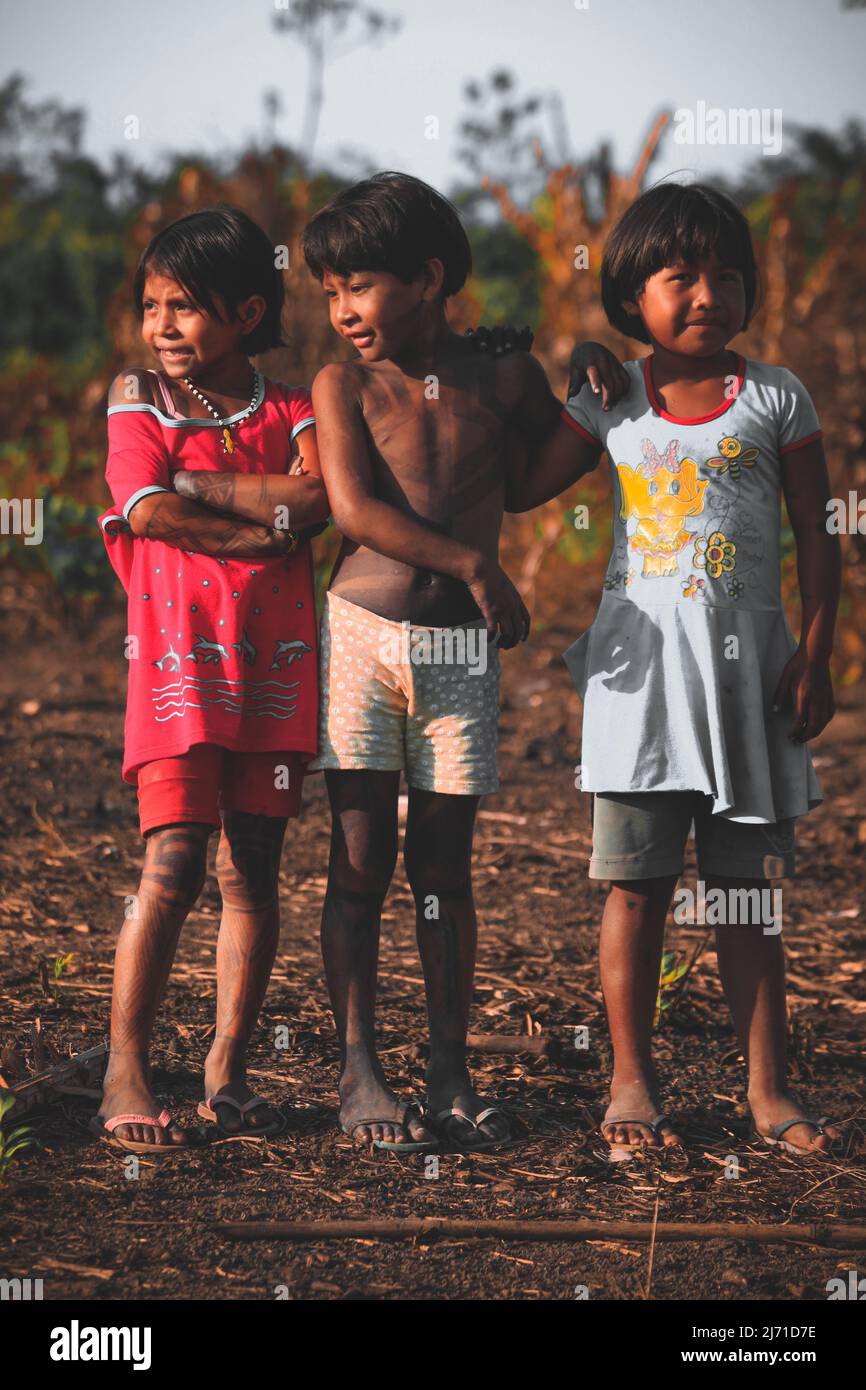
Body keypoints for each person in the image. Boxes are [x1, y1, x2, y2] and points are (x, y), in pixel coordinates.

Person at [505, 182, 844, 1158]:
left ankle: (768, 1093)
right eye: (678, 275)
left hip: (752, 683)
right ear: (630, 293)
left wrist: (814, 651)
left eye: (725, 276)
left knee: (745, 895)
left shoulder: (776, 395)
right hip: (638, 684)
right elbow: (527, 486)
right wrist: (556, 376)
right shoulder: (611, 397)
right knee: (636, 887)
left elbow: (818, 531)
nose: (706, 294)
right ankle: (627, 1089)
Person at [301, 170, 621, 1151]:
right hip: (364, 633)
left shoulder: (500, 378)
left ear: (430, 275)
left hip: (458, 651)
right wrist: (471, 565)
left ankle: (447, 1074)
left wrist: (593, 392)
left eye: (358, 284)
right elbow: (354, 511)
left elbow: (528, 481)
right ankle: (360, 1073)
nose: (342, 310)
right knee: (359, 861)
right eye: (327, 293)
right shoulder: (344, 383)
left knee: (443, 864)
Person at [95, 205, 329, 1151]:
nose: (161, 326)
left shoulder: (292, 406)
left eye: (184, 307)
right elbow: (144, 508)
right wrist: (259, 527)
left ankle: (227, 1066)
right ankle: (124, 1067)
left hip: (273, 672)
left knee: (254, 869)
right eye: (151, 305)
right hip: (178, 668)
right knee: (173, 864)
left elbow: (317, 500)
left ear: (247, 310)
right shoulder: (136, 396)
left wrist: (221, 498)